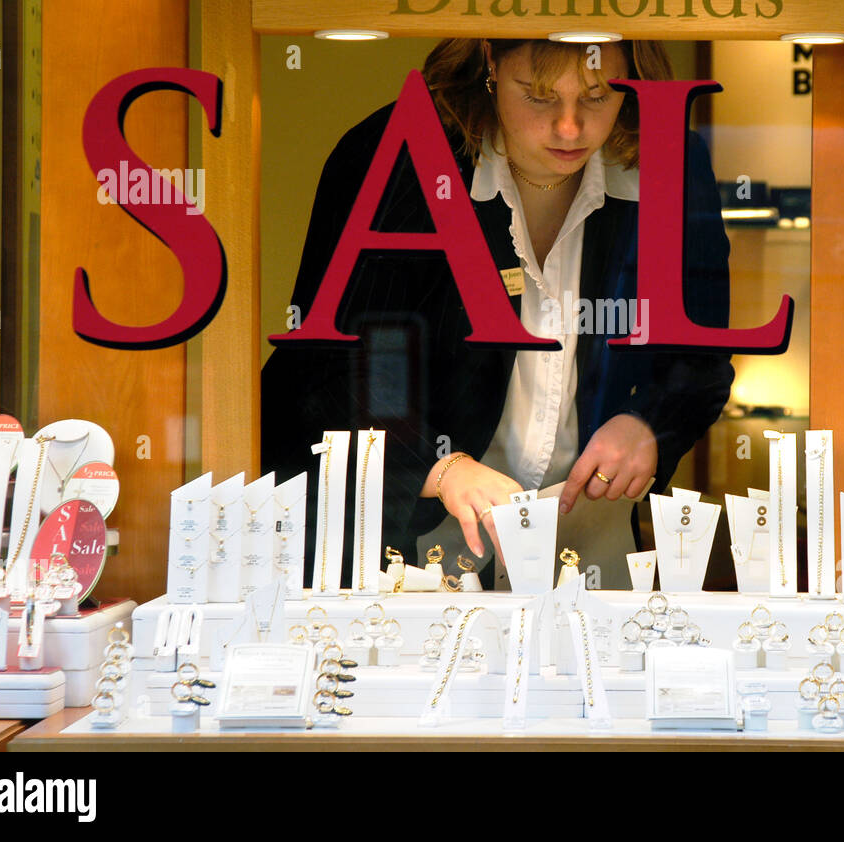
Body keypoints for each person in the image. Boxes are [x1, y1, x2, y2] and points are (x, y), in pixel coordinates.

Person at [261, 37, 734, 579]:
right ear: (490, 60)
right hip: (397, 531)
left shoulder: (671, 160)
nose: (570, 128)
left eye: (599, 96)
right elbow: (331, 365)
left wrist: (648, 423)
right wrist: (442, 468)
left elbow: (700, 357)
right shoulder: (399, 153)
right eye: (538, 97)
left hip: (583, 532)